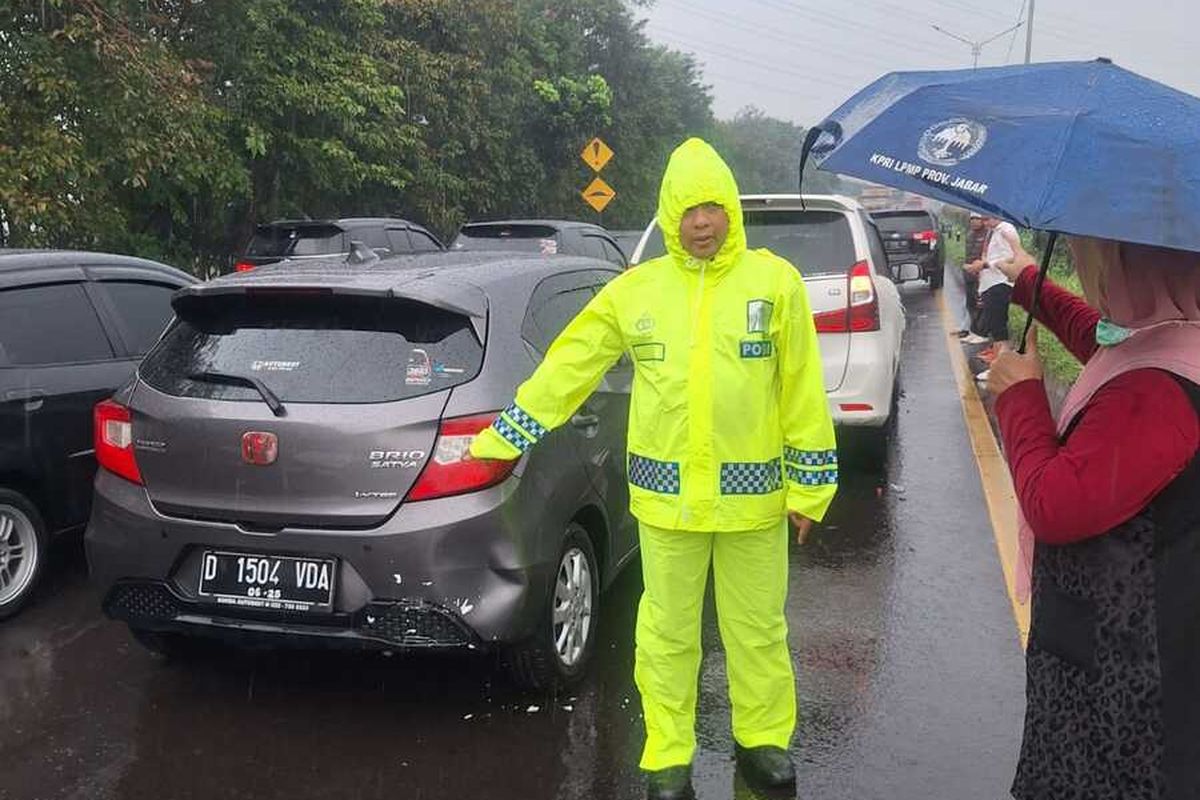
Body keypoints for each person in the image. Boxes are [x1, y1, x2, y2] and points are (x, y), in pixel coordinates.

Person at [469, 138, 837, 800]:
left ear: (730, 209)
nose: (702, 223)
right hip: (667, 506)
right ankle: (668, 752)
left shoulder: (772, 282)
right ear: (669, 215)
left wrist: (811, 485)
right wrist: (509, 433)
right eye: (688, 210)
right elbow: (570, 364)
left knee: (758, 631)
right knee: (665, 634)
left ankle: (764, 741)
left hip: (756, 504)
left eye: (712, 208)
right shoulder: (635, 291)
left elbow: (801, 389)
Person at [986, 237, 1200, 800]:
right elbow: (1107, 345)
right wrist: (1031, 282)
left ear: (1136, 267)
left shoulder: (1159, 394)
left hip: (1126, 682)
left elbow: (1056, 504)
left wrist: (1020, 396)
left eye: (1096, 258)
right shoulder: (1179, 342)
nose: (1086, 268)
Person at [963, 217, 1020, 376]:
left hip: (999, 283)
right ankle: (997, 362)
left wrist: (986, 265)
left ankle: (1001, 368)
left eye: (987, 218)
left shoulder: (1007, 230)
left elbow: (1013, 256)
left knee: (998, 326)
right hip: (990, 283)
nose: (985, 222)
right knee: (994, 325)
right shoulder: (996, 231)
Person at [955, 212, 988, 336]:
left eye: (977, 219)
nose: (974, 221)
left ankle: (978, 331)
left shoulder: (987, 235)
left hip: (981, 274)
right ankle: (968, 328)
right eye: (972, 219)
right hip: (969, 274)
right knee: (970, 303)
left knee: (980, 303)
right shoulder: (969, 235)